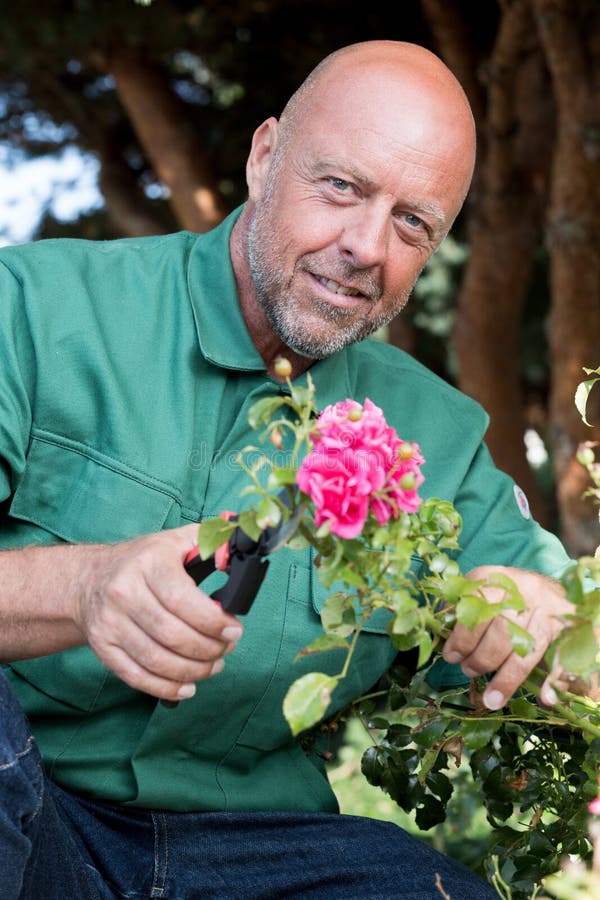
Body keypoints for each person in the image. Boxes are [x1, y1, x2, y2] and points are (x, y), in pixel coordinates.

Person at [0, 40, 575, 899]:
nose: (367, 246)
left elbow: (573, 643)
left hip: (256, 851)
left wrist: (546, 624)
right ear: (264, 156)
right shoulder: (36, 309)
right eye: (342, 186)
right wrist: (82, 587)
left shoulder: (441, 439)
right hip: (27, 809)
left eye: (413, 223)